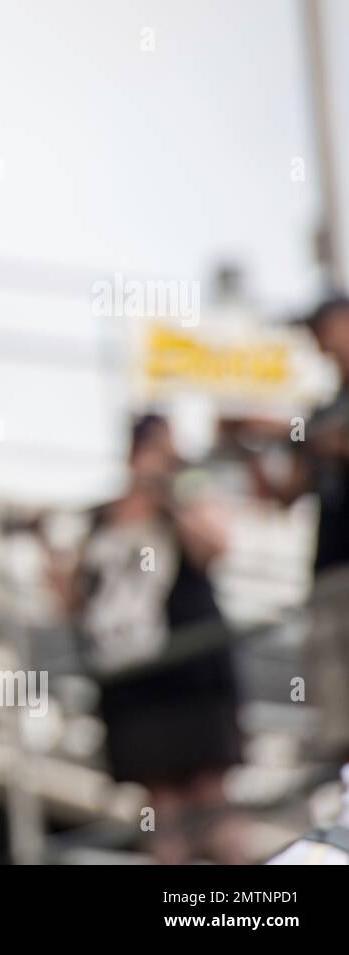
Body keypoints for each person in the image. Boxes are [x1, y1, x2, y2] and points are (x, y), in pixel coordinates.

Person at [47, 415, 247, 863]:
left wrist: (171, 495)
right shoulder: (101, 517)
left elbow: (215, 546)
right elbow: (72, 602)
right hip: (134, 678)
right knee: (163, 806)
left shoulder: (186, 499)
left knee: (212, 797)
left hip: (193, 671)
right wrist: (46, 545)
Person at [240, 295, 349, 764]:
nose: (319, 344)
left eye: (324, 329)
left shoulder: (320, 420)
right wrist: (254, 450)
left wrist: (289, 430)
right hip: (329, 577)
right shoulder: (324, 410)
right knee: (336, 722)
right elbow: (285, 495)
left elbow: (333, 442)